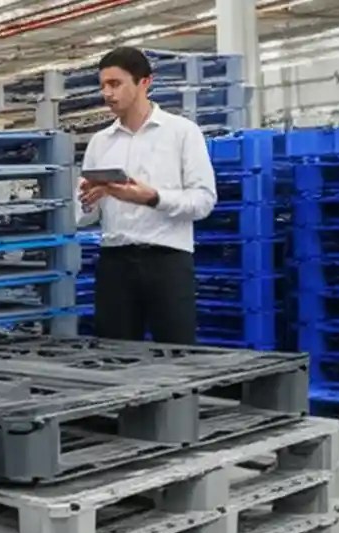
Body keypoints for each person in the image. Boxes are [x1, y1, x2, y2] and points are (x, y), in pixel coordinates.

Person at [78, 47, 217, 345]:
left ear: (144, 82)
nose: (107, 94)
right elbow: (86, 216)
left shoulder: (182, 133)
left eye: (115, 84)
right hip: (115, 262)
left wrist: (151, 197)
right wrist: (84, 200)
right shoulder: (100, 143)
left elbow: (203, 201)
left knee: (176, 355)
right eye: (103, 85)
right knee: (115, 356)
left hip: (167, 261)